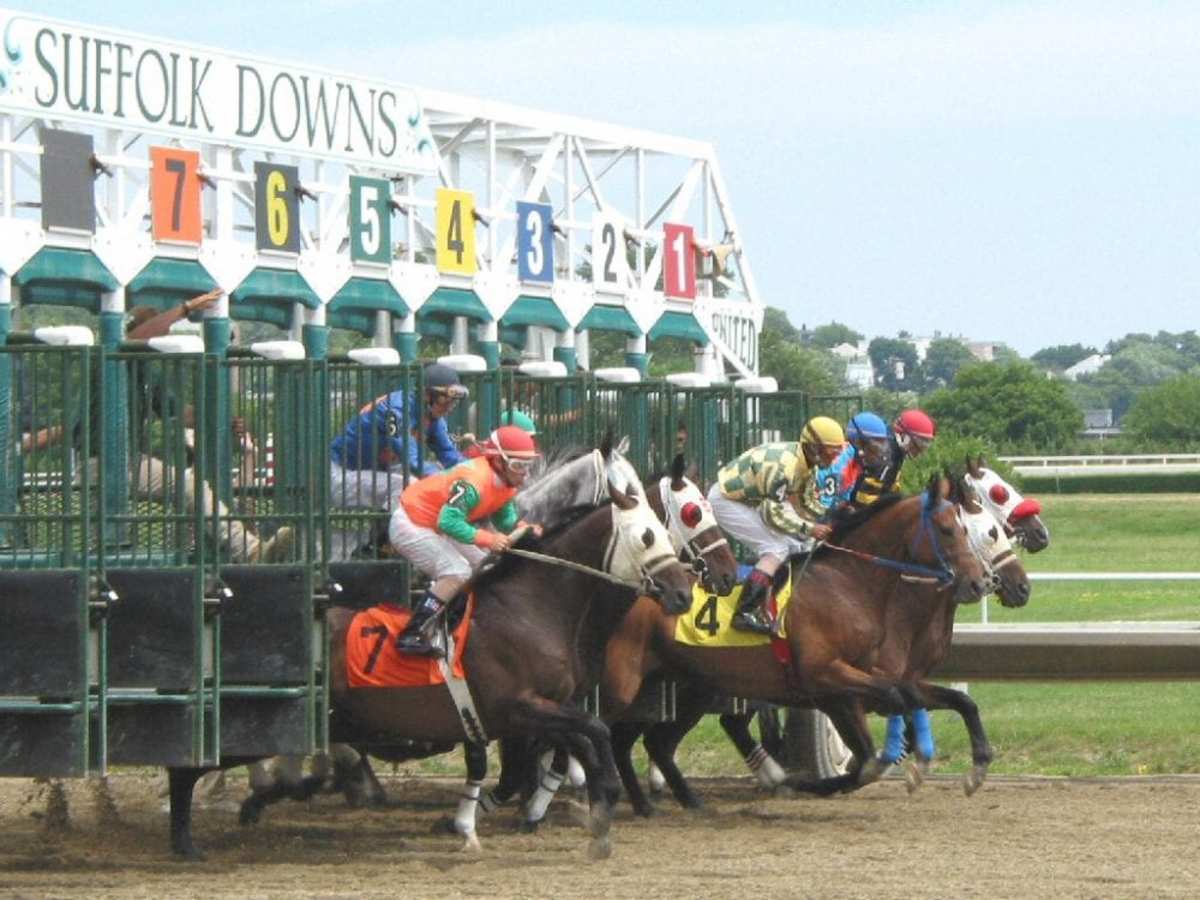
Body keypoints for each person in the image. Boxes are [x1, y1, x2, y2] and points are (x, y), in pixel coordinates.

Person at [21, 290, 290, 563]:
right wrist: (184, 308)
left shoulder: (147, 375)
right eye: (158, 332)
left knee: (190, 486)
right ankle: (99, 577)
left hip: (130, 461)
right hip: (98, 463)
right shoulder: (108, 358)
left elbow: (182, 414)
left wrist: (221, 417)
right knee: (106, 539)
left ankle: (250, 551)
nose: (161, 339)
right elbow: (132, 341)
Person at [388, 425, 543, 657]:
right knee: (457, 572)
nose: (524, 474)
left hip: (436, 523)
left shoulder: (505, 482)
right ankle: (412, 633)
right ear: (498, 462)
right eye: (518, 466)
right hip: (412, 522)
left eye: (527, 466)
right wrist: (487, 539)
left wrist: (524, 529)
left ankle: (453, 621)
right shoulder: (474, 481)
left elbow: (505, 519)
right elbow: (448, 522)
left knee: (485, 565)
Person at [708, 416, 846, 635]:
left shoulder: (809, 464)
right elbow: (774, 515)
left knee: (803, 544)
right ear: (815, 447)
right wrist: (810, 528)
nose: (837, 457)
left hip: (751, 501)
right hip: (726, 500)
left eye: (839, 451)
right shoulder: (784, 465)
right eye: (833, 450)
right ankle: (744, 612)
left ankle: (772, 599)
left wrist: (836, 517)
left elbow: (806, 503)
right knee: (776, 548)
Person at [329, 362, 468, 510]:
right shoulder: (394, 412)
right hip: (342, 476)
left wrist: (474, 471)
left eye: (454, 401)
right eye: (445, 399)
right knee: (409, 486)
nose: (450, 406)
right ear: (426, 395)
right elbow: (411, 459)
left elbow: (448, 454)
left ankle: (385, 530)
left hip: (377, 473)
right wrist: (446, 480)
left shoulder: (432, 417)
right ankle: (387, 532)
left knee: (436, 476)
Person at [851, 408, 936, 507]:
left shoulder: (897, 452)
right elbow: (865, 500)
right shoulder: (885, 456)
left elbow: (891, 489)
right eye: (920, 443)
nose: (920, 449)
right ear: (904, 436)